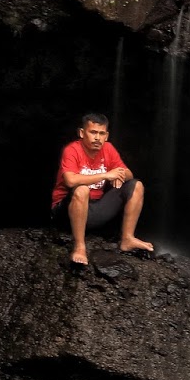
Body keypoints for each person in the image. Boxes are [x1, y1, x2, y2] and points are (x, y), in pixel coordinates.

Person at [50, 113, 154, 266]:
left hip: (94, 210)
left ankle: (127, 239)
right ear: (81, 133)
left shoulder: (108, 148)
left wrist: (120, 175)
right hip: (65, 213)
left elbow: (129, 175)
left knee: (136, 185)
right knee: (82, 190)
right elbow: (70, 180)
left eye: (101, 133)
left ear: (106, 135)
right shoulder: (72, 150)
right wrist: (106, 175)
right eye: (93, 132)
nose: (97, 138)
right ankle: (79, 246)